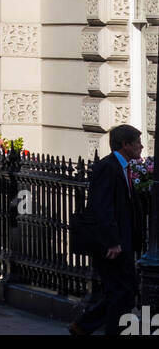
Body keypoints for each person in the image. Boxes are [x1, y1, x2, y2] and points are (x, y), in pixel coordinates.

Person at [69, 124, 144, 336]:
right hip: (112, 244)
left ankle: (84, 326)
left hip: (124, 241)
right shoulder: (107, 167)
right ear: (125, 145)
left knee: (123, 291)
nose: (141, 146)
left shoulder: (125, 167)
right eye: (137, 142)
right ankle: (97, 328)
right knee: (121, 292)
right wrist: (112, 241)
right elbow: (102, 208)